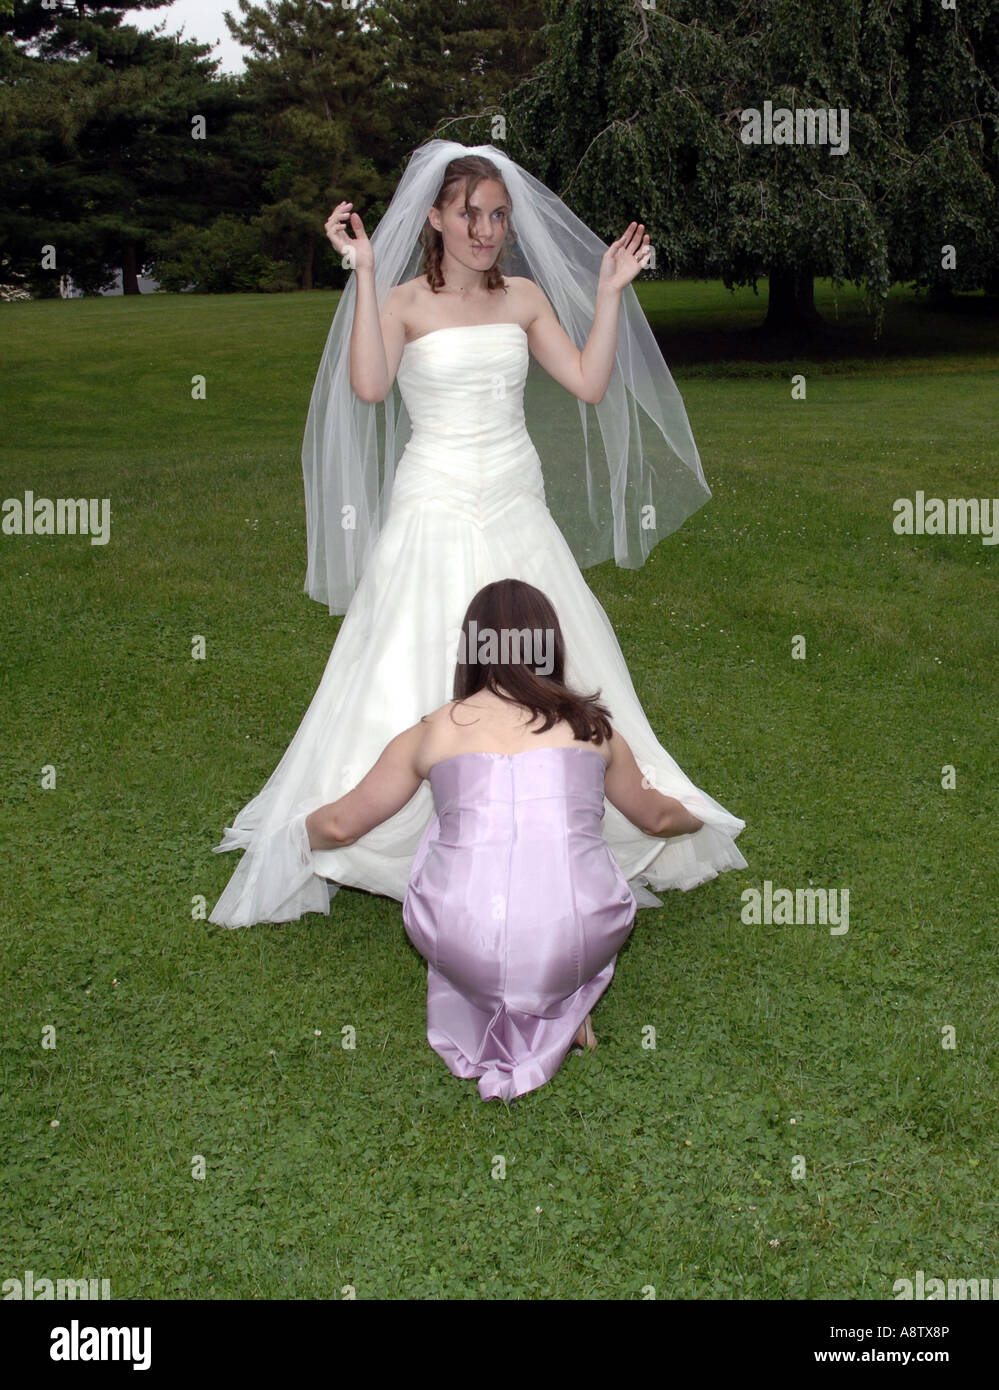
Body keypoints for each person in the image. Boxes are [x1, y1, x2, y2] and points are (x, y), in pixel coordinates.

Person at [209, 140, 747, 929]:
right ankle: (397, 819)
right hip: (434, 496)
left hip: (514, 498)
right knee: (411, 648)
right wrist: (360, 273)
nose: (486, 229)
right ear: (434, 217)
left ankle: (554, 803)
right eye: (470, 215)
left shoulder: (524, 297)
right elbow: (368, 385)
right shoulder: (399, 302)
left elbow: (589, 385)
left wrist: (607, 294)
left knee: (547, 649)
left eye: (497, 216)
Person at [304, 580, 706, 1104]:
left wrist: (294, 831)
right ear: (549, 644)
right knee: (564, 849)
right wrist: (697, 819)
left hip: (464, 940)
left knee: (454, 822)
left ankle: (506, 1003)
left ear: (472, 647)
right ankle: (557, 1006)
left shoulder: (432, 732)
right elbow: (656, 818)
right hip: (577, 938)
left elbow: (340, 826)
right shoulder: (591, 729)